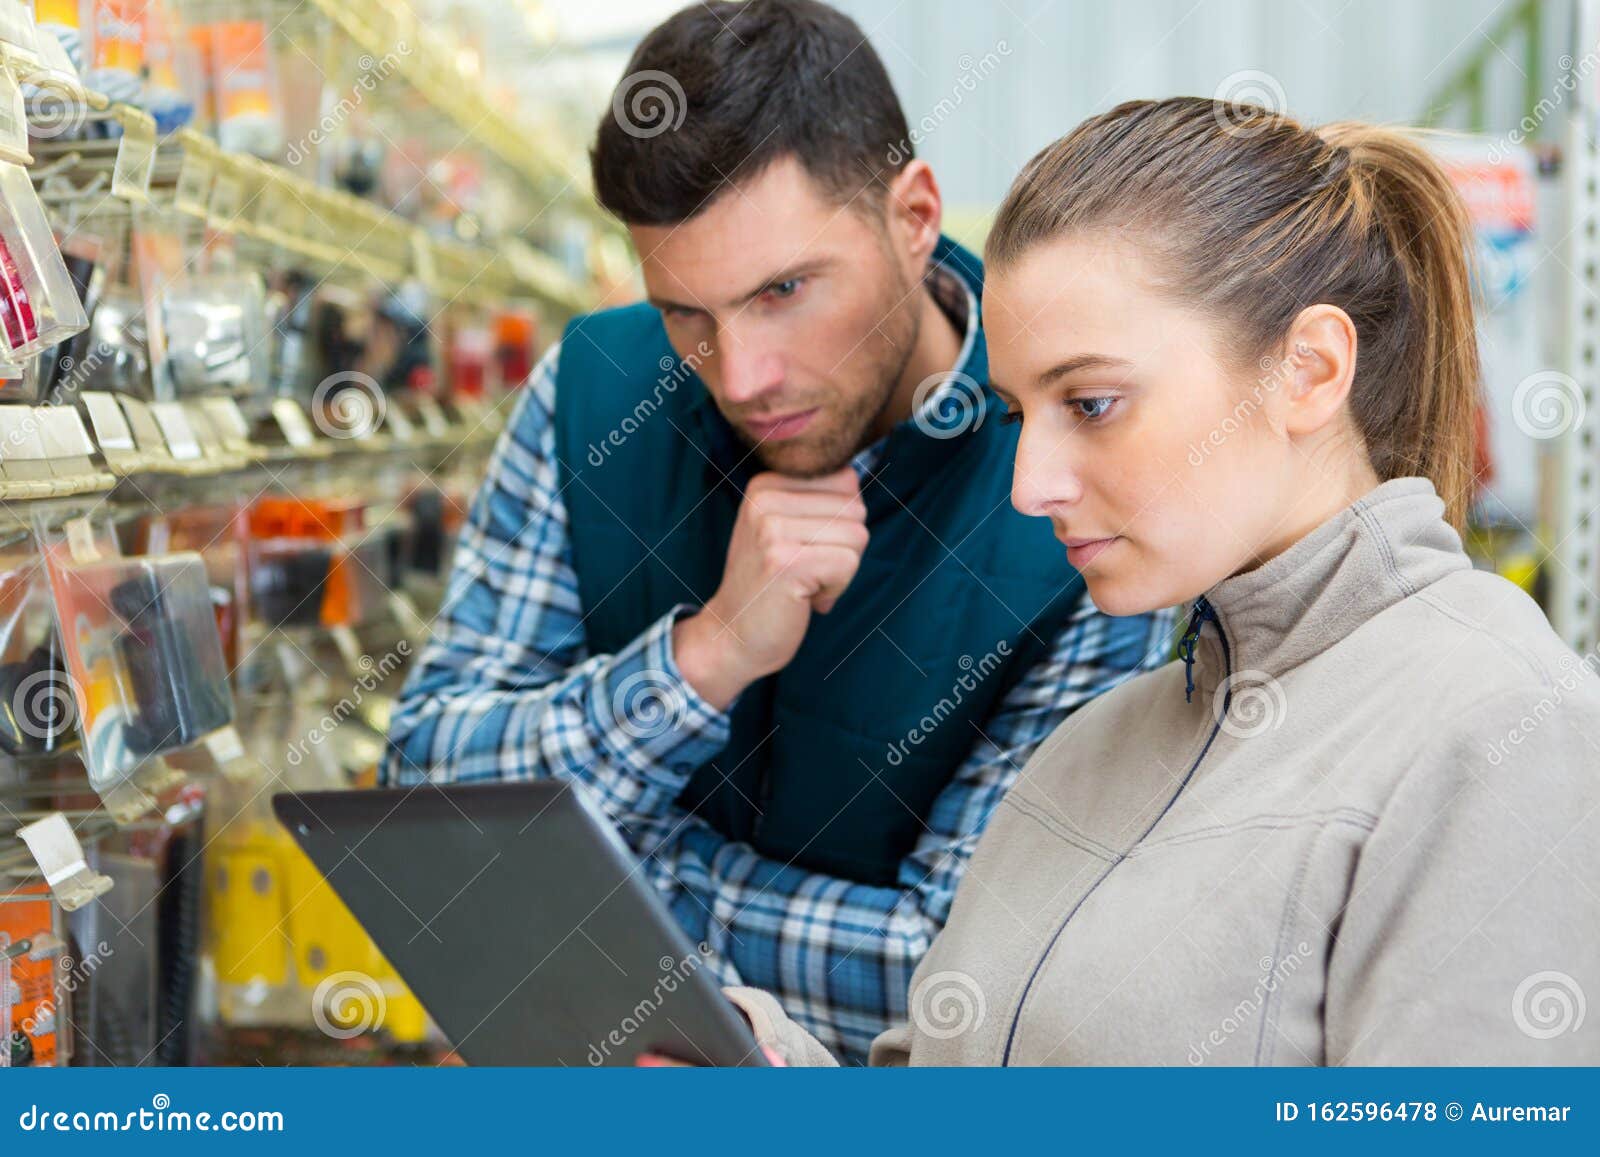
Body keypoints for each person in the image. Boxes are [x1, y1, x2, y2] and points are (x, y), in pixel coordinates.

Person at [716, 97, 1600, 1066]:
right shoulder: (1095, 743)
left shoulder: (1506, 727)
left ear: (1307, 369)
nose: (1028, 486)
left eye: (1091, 402)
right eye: (1019, 414)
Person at [379, 0, 1169, 1062]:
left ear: (914, 213)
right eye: (685, 313)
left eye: (784, 290)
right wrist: (699, 661)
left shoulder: (1072, 487)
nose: (740, 375)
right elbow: (421, 816)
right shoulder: (593, 389)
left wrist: (620, 872)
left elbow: (974, 977)